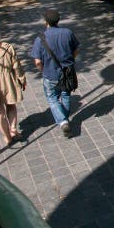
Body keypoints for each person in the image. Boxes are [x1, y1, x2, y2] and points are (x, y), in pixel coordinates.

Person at [30, 9, 80, 138]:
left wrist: (43, 70)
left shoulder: (40, 39)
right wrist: (71, 62)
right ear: (58, 20)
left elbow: (37, 61)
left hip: (50, 74)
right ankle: (65, 117)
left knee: (52, 98)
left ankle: (63, 121)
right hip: (68, 72)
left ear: (46, 22)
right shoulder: (68, 33)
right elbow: (76, 50)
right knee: (66, 94)